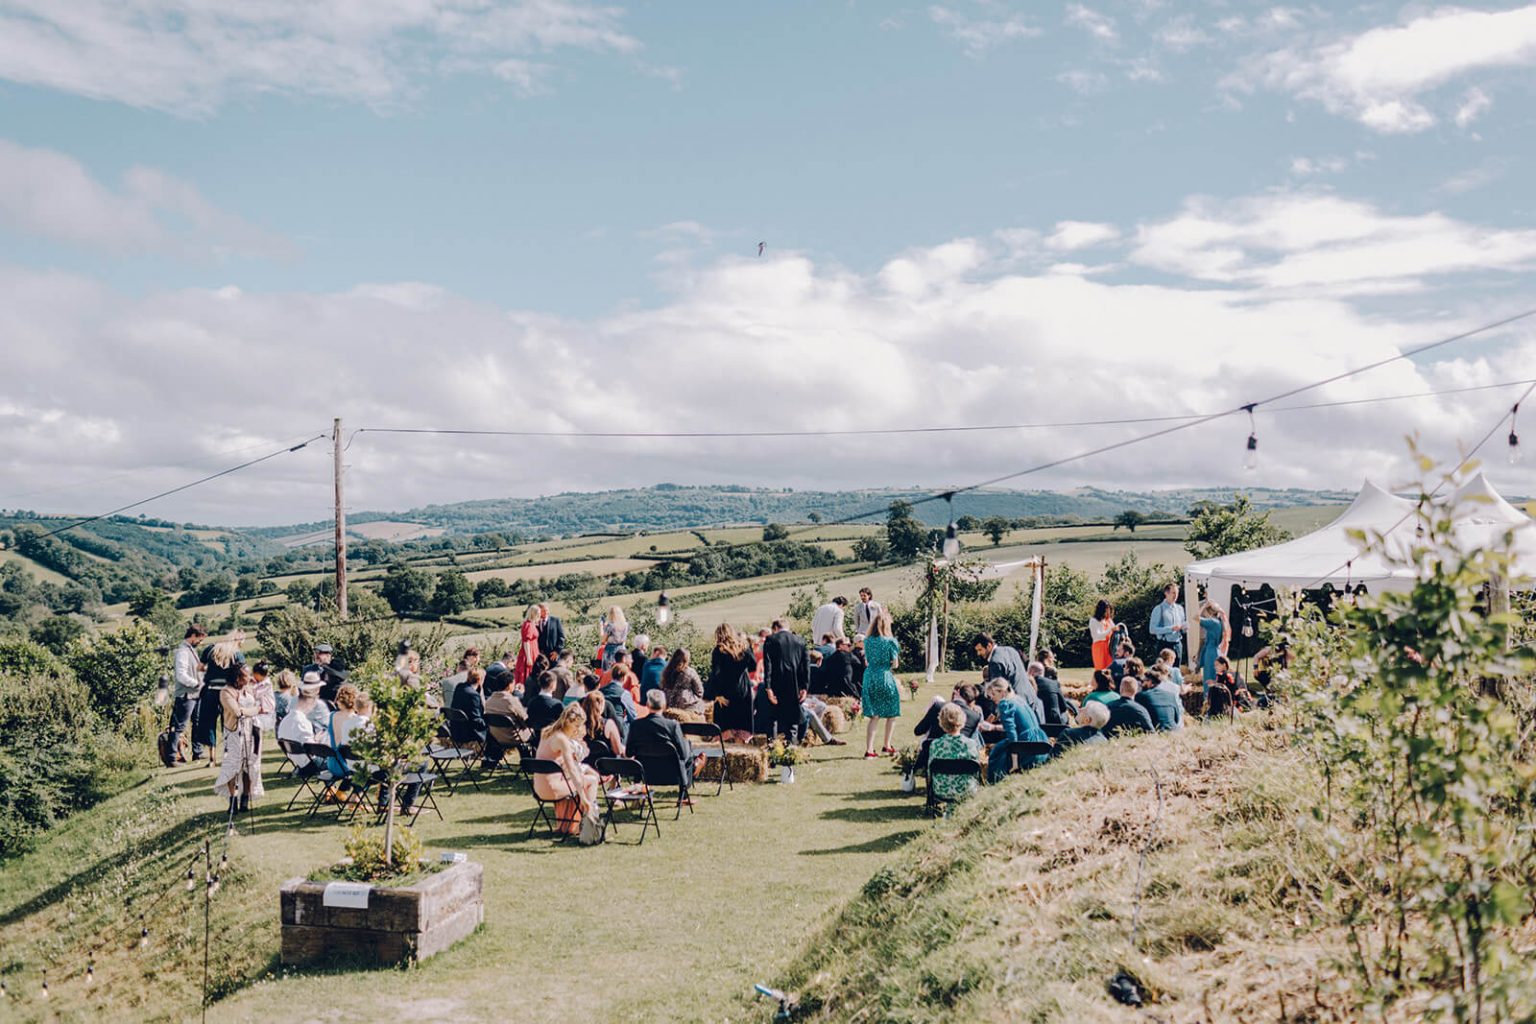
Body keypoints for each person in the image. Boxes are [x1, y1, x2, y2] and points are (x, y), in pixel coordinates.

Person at [533, 704, 601, 830]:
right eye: (576, 726)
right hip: (553, 789)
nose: (577, 729)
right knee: (591, 780)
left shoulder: (547, 732)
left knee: (582, 776)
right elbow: (572, 769)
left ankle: (570, 824)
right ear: (568, 722)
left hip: (539, 787)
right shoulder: (562, 739)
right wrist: (583, 797)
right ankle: (589, 823)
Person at [213, 664, 263, 812]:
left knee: (249, 764)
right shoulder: (225, 692)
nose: (250, 678)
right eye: (246, 675)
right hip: (234, 733)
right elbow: (236, 712)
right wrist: (253, 710)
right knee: (233, 766)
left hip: (250, 731)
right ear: (237, 677)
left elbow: (258, 706)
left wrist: (251, 711)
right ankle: (233, 800)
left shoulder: (248, 689)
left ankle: (245, 799)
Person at [981, 678, 1048, 783]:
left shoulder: (1005, 704)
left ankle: (996, 783)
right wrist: (993, 727)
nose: (992, 699)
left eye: (993, 694)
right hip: (1041, 740)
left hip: (1026, 744)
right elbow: (1017, 726)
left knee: (996, 754)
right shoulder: (1018, 699)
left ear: (1002, 692)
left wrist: (1015, 762)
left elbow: (1012, 735)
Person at [626, 690, 697, 789]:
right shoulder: (672, 725)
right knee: (689, 753)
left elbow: (629, 752)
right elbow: (684, 754)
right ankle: (684, 793)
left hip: (646, 774)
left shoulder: (636, 725)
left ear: (647, 704)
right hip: (673, 774)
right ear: (664, 705)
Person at [971, 633, 1045, 724]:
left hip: (1017, 708)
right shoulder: (1011, 650)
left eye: (980, 650)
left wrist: (993, 716)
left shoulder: (995, 662)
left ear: (989, 645)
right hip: (1031, 699)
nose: (979, 653)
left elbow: (998, 693)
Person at [197, 632, 246, 765]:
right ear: (238, 641)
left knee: (209, 724)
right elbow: (243, 673)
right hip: (227, 693)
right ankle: (227, 755)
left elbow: (200, 667)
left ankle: (212, 758)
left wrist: (211, 670)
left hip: (210, 691)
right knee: (228, 723)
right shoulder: (236, 654)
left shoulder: (210, 650)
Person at [706, 623, 758, 743]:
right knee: (740, 728)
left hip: (725, 693)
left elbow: (716, 674)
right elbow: (753, 665)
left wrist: (717, 694)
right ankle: (739, 750)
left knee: (723, 729)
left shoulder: (718, 650)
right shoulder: (744, 646)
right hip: (743, 691)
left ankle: (723, 758)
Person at [861, 611, 903, 759]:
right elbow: (895, 664)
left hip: (869, 676)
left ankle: (869, 750)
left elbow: (867, 660)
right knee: (892, 714)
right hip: (884, 676)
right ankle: (887, 745)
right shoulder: (890, 642)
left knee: (874, 715)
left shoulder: (867, 641)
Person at [762, 619, 810, 743]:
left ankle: (772, 746)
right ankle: (791, 747)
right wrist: (804, 687)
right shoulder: (800, 641)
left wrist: (768, 687)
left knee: (772, 718)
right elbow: (806, 666)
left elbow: (768, 666)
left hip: (776, 683)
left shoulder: (771, 640)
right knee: (792, 718)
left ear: (775, 628)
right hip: (794, 684)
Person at [913, 684, 983, 768]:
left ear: (957, 692)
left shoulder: (938, 706)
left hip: (935, 761)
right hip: (960, 763)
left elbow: (918, 730)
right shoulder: (975, 716)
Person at [927, 703, 983, 803]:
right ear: (962, 721)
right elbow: (977, 769)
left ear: (941, 723)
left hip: (941, 789)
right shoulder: (971, 744)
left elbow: (929, 771)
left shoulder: (935, 744)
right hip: (966, 790)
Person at [168, 623, 207, 763]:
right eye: (199, 639)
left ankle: (197, 752)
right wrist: (196, 683)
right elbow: (181, 675)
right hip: (186, 695)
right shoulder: (183, 652)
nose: (200, 642)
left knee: (197, 723)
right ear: (192, 636)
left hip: (196, 694)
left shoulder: (191, 650)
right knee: (179, 726)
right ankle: (172, 757)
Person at [277, 676, 328, 775]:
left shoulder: (286, 720)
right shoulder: (302, 721)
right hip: (309, 764)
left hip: (298, 762)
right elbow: (312, 749)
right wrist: (317, 740)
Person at [580, 690, 625, 763]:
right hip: (606, 768)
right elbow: (618, 751)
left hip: (585, 764)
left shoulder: (579, 724)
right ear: (601, 706)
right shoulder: (609, 724)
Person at [1149, 583, 1188, 665]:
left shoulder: (1180, 609)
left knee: (1176, 671)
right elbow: (1152, 629)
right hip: (1165, 644)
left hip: (1177, 644)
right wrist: (1170, 629)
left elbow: (1182, 627)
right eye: (1173, 593)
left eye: (1177, 593)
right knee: (1163, 672)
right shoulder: (1159, 609)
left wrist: (1185, 627)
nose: (1175, 595)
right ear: (1166, 593)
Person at [661, 648, 707, 716]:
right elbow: (700, 691)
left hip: (668, 707)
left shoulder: (666, 671)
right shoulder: (690, 672)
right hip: (687, 708)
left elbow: (662, 687)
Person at [451, 667, 488, 748]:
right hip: (468, 732)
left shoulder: (459, 687)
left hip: (455, 730)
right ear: (480, 680)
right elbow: (476, 720)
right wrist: (489, 723)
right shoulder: (473, 695)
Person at [1028, 660, 1073, 727]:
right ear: (1042, 672)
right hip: (1055, 723)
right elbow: (1063, 707)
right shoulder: (1053, 683)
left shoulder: (1025, 685)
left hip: (1034, 722)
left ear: (1030, 672)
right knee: (1065, 714)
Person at [524, 671, 565, 738]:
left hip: (536, 738)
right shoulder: (557, 705)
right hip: (553, 738)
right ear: (553, 685)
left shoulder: (532, 702)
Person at [515, 605, 540, 689]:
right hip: (529, 652)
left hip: (533, 651)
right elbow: (526, 641)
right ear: (534, 614)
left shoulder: (531, 624)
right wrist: (528, 657)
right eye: (538, 614)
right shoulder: (528, 625)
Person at [1089, 600, 1117, 672]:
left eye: (1109, 610)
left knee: (1110, 669)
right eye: (1106, 610)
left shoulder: (1109, 620)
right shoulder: (1093, 620)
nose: (1108, 613)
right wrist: (1110, 630)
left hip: (1109, 647)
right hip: (1099, 647)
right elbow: (1097, 636)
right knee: (1100, 670)